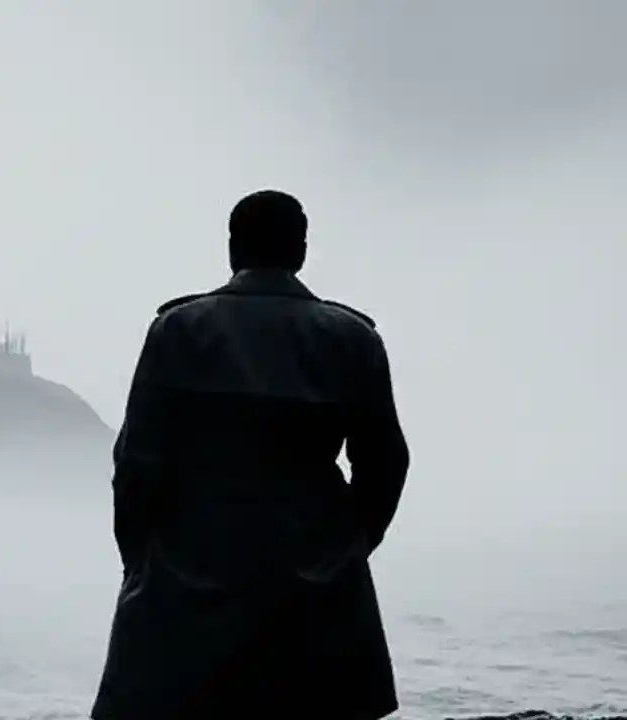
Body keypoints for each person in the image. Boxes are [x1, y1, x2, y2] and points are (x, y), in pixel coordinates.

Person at [91, 190, 410, 719]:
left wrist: (142, 560)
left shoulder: (179, 329)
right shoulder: (352, 338)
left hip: (188, 565)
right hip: (315, 573)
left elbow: (138, 463)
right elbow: (385, 462)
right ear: (301, 250)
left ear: (233, 248)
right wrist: (348, 546)